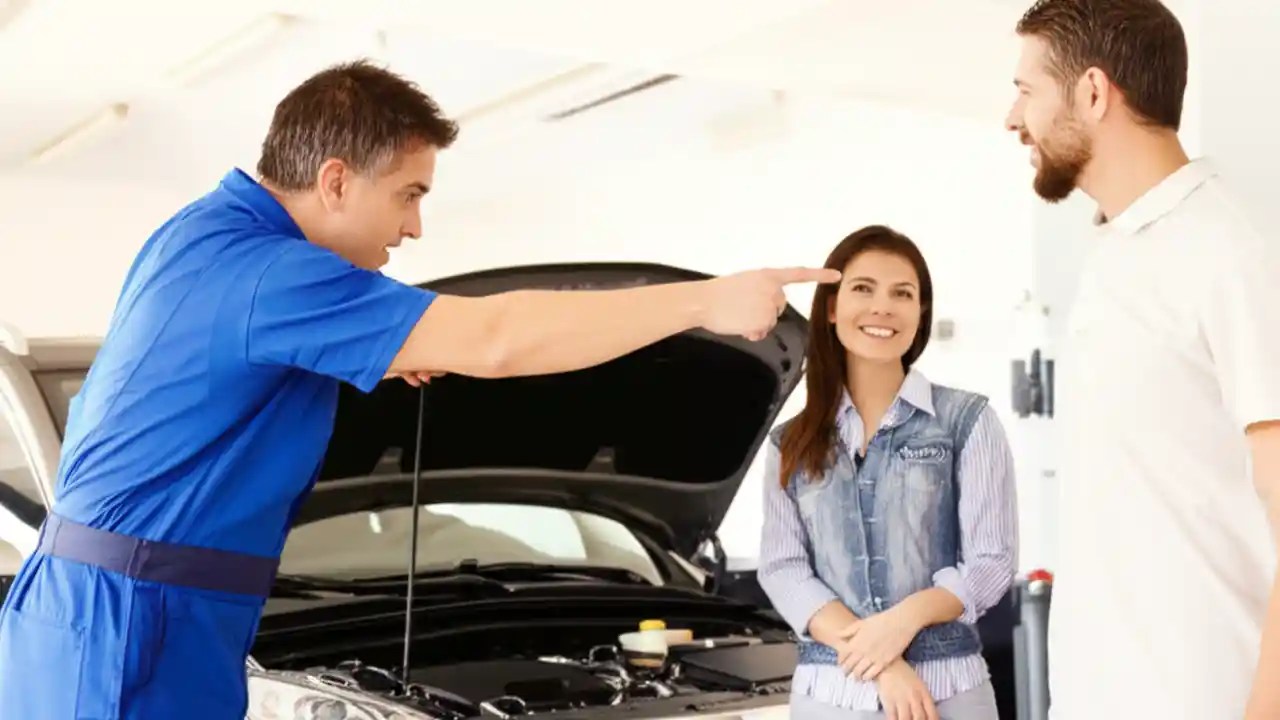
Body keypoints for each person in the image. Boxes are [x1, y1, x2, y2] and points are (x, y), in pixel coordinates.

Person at [0, 60, 841, 719]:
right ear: (335, 180)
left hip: (137, 615)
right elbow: (496, 339)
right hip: (131, 629)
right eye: (409, 195)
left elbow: (212, 377)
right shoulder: (274, 276)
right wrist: (706, 300)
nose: (414, 226)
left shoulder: (207, 236)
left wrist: (376, 349)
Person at [1004, 1, 1280, 718]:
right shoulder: (1117, 252)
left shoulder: (1228, 253)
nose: (1011, 118)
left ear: (1094, 93)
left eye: (1026, 90)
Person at [757, 225, 1018, 720]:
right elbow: (783, 569)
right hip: (828, 698)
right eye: (863, 289)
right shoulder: (788, 441)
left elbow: (991, 563)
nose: (883, 307)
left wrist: (902, 622)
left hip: (949, 694)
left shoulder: (968, 421)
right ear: (832, 308)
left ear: (920, 314)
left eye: (903, 294)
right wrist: (881, 663)